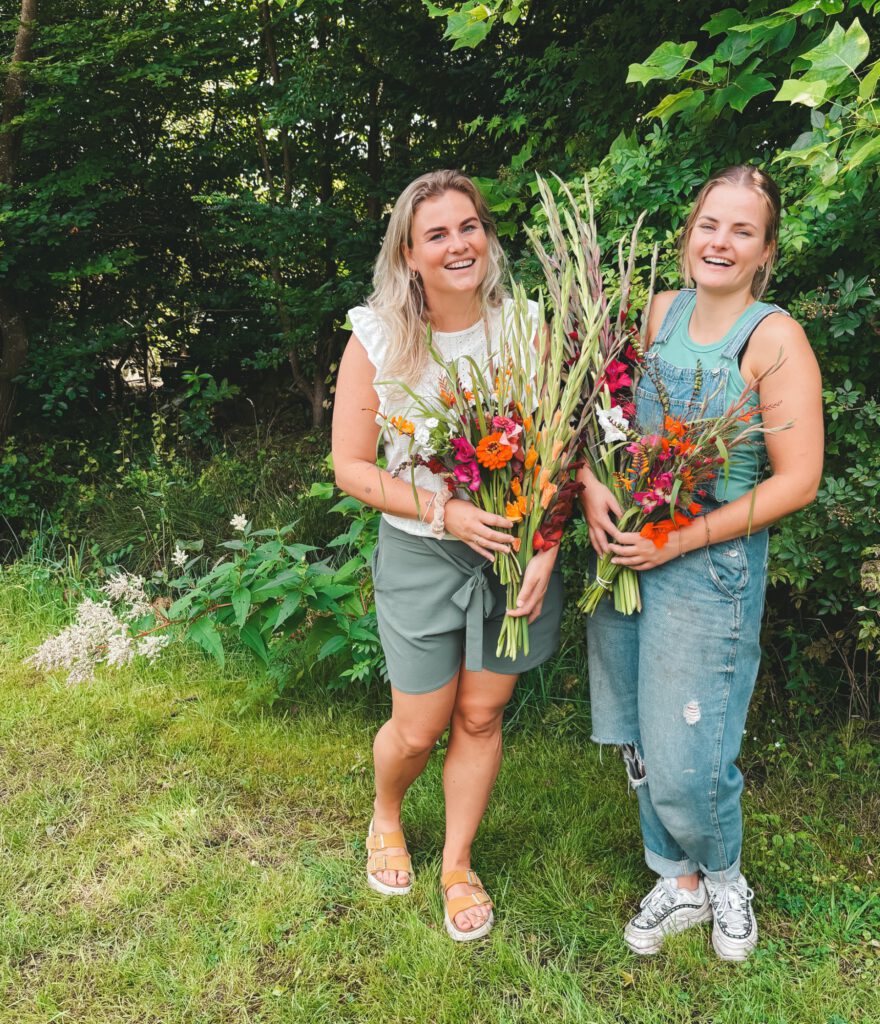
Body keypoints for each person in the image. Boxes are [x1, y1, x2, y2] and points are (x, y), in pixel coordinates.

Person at [580, 165, 823, 961]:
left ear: (765, 252)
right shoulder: (658, 312)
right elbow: (603, 415)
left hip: (706, 569)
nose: (720, 242)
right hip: (628, 553)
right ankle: (675, 881)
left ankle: (725, 876)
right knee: (637, 733)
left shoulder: (773, 338)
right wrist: (589, 485)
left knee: (689, 750)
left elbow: (800, 480)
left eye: (741, 231)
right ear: (688, 236)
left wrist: (678, 541)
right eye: (709, 225)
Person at [332, 170, 563, 941]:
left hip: (513, 548)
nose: (458, 244)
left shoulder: (528, 326)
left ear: (487, 239)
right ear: (408, 253)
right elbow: (353, 470)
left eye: (469, 227)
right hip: (423, 551)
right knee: (420, 726)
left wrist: (548, 546)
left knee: (482, 711)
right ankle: (387, 812)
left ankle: (458, 863)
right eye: (437, 233)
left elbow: (565, 445)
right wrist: (445, 509)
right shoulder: (376, 337)